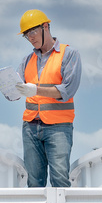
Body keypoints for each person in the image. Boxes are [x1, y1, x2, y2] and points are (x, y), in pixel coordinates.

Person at [14, 9, 81, 188]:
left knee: (59, 179)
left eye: (33, 32)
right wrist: (10, 89)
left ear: (46, 27)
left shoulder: (69, 54)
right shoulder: (26, 60)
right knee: (34, 182)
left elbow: (68, 89)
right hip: (30, 127)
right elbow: (18, 89)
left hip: (59, 127)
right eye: (26, 35)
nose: (31, 38)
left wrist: (36, 89)